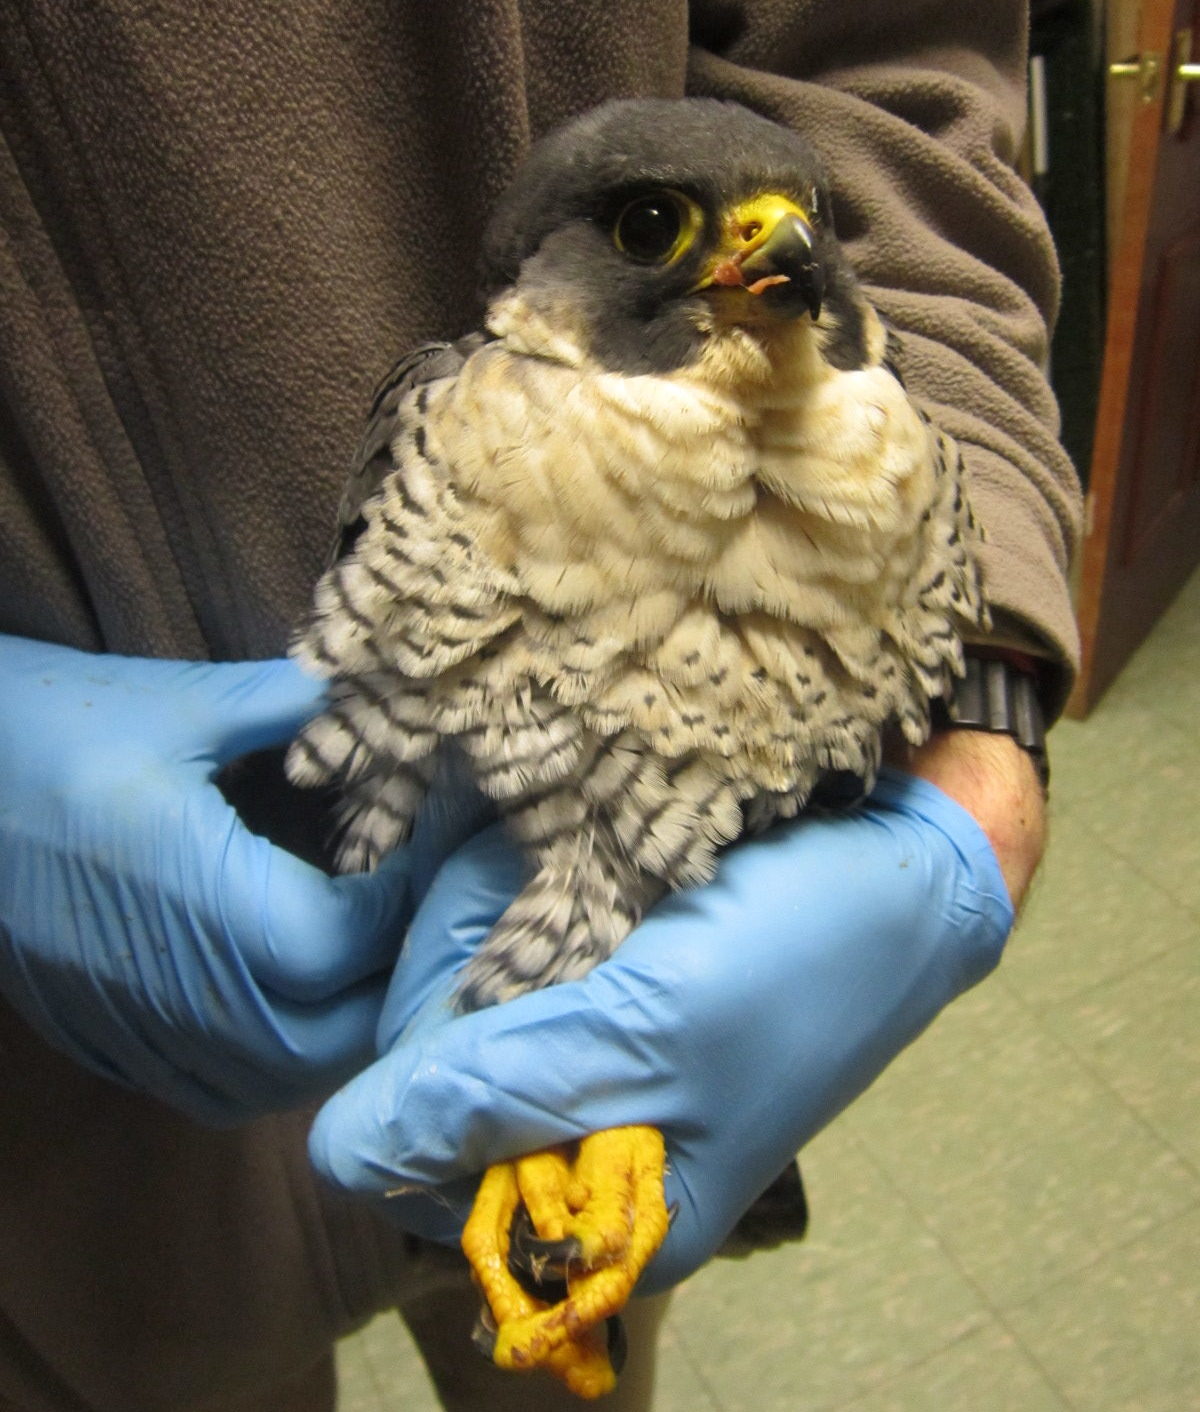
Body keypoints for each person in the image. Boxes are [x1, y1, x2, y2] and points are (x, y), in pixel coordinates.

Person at [0, 4, 1080, 1409]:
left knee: (573, 1347)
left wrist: (983, 753)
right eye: (655, 231)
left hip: (604, 1048)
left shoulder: (872, 454)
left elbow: (898, 88)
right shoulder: (462, 420)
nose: (767, 252)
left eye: (790, 227)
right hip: (70, 1153)